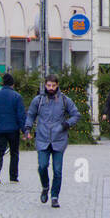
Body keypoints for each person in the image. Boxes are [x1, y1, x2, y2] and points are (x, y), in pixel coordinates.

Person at [24, 75, 79, 208]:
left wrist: (67, 124)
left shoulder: (64, 100)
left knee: (57, 170)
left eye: (53, 86)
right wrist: (27, 129)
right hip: (42, 138)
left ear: (57, 85)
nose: (51, 88)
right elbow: (30, 115)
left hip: (59, 139)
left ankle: (55, 196)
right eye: (49, 85)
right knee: (42, 166)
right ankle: (45, 186)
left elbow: (76, 114)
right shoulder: (39, 100)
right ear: (45, 85)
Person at [0, 73, 26, 183]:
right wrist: (25, 130)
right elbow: (21, 115)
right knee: (14, 153)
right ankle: (13, 176)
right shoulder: (17, 96)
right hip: (13, 129)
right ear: (13, 84)